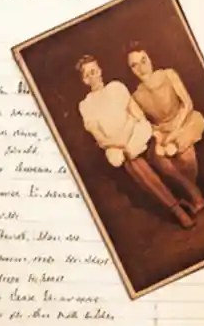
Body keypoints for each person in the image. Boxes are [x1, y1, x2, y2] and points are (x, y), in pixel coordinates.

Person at [75, 55, 196, 229]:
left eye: (94, 71)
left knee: (154, 158)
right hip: (115, 144)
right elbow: (99, 137)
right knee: (133, 162)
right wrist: (120, 144)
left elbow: (136, 114)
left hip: (135, 131)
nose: (93, 76)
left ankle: (189, 196)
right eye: (88, 75)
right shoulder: (86, 105)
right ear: (84, 80)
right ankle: (177, 209)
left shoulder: (116, 87)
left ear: (100, 70)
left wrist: (132, 134)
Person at [126, 42, 204, 214]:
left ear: (150, 58)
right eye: (134, 65)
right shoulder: (136, 95)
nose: (141, 68)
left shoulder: (168, 74)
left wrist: (176, 131)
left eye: (143, 60)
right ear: (131, 70)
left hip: (185, 120)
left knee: (181, 152)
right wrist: (158, 136)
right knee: (160, 156)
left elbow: (187, 103)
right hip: (163, 131)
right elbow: (146, 123)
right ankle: (195, 195)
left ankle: (195, 195)